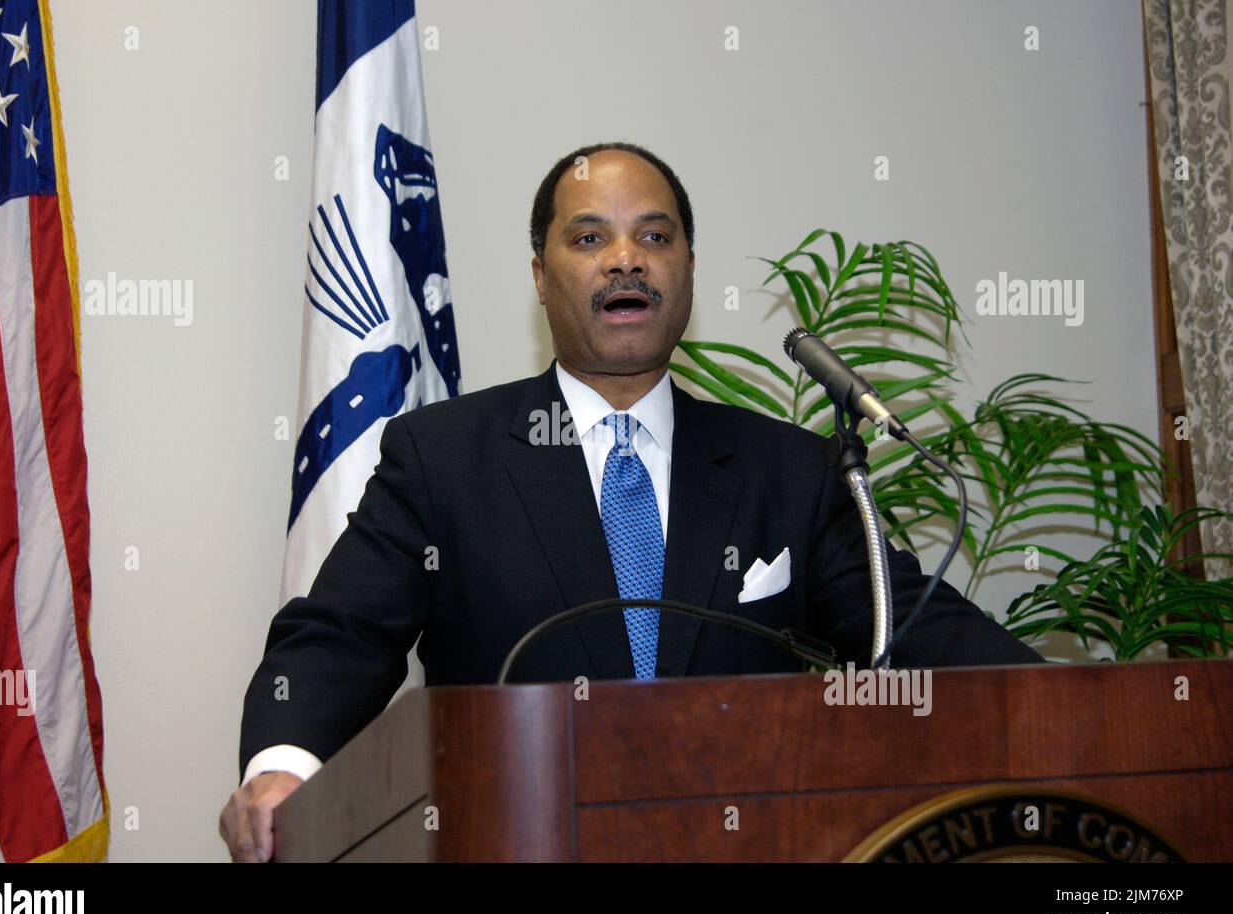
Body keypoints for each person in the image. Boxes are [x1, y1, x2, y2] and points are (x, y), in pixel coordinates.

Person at [219, 141, 1043, 862]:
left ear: (687, 269)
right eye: (589, 237)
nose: (626, 258)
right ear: (541, 279)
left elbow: (916, 626)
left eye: (655, 235)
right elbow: (337, 635)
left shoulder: (786, 468)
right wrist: (282, 768)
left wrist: (1067, 712)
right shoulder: (444, 458)